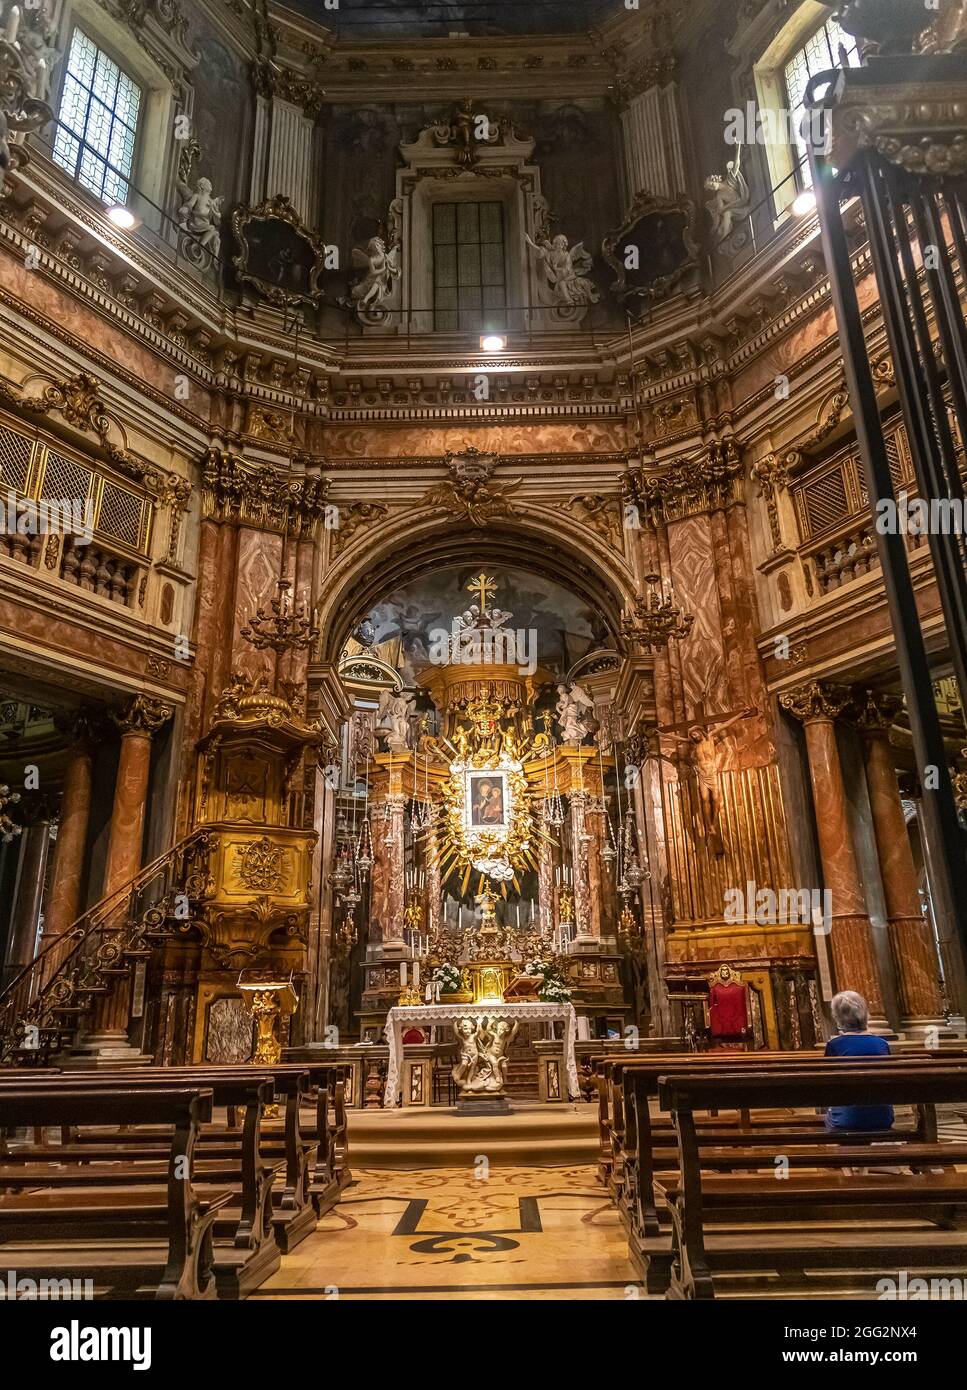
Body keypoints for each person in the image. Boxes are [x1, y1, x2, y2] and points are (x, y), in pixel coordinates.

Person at [824, 990, 894, 1132]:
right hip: (882, 1117)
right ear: (864, 1014)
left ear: (838, 1017)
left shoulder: (835, 1045)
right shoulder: (882, 1044)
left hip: (846, 1119)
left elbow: (827, 1083)